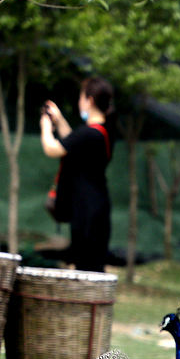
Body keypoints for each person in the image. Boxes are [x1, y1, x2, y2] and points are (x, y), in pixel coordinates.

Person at [40, 77, 116, 273]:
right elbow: (73, 141)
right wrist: (60, 120)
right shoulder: (101, 132)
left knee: (86, 267)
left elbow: (52, 148)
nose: (79, 101)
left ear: (89, 101)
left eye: (82, 97)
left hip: (86, 211)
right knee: (92, 266)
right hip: (95, 207)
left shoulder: (89, 134)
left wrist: (46, 127)